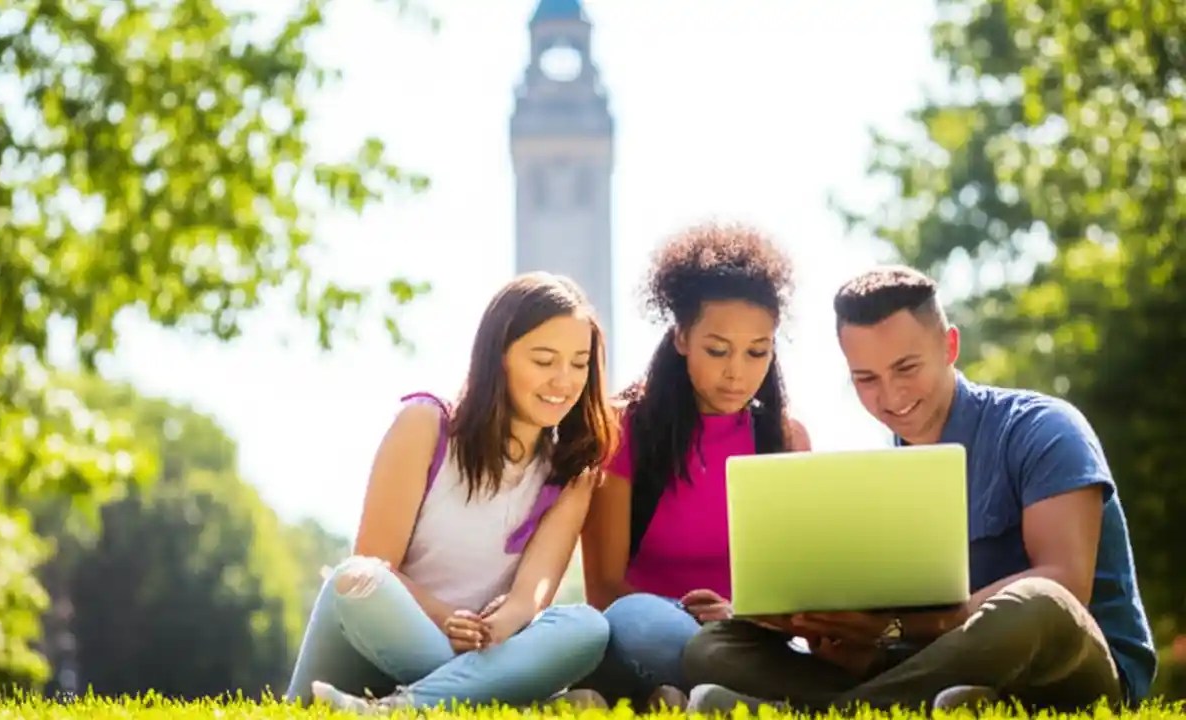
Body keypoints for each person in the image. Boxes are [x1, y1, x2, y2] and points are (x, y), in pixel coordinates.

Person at [683, 265, 1158, 714]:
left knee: (1039, 603)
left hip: (1068, 669)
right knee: (714, 648)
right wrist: (803, 621)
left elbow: (1066, 581)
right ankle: (927, 704)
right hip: (930, 666)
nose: (890, 397)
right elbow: (885, 617)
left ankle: (830, 714)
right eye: (866, 379)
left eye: (906, 368)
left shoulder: (1044, 428)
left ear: (950, 345)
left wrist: (902, 628)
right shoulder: (881, 475)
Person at [283, 272, 621, 712]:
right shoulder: (425, 425)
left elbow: (528, 598)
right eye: (544, 360)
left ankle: (400, 708)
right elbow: (375, 561)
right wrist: (452, 622)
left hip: (479, 647)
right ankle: (503, 698)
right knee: (356, 580)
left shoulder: (573, 473)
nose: (564, 381)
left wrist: (496, 629)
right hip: (387, 634)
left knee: (588, 628)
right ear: (499, 357)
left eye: (579, 364)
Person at [575, 222, 811, 711]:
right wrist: (688, 616)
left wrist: (736, 616)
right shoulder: (622, 428)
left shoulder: (786, 439)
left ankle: (696, 694)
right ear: (682, 337)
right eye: (717, 350)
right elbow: (604, 591)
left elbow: (794, 587)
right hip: (649, 628)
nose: (736, 371)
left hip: (746, 634)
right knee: (643, 622)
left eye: (757, 352)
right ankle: (727, 691)